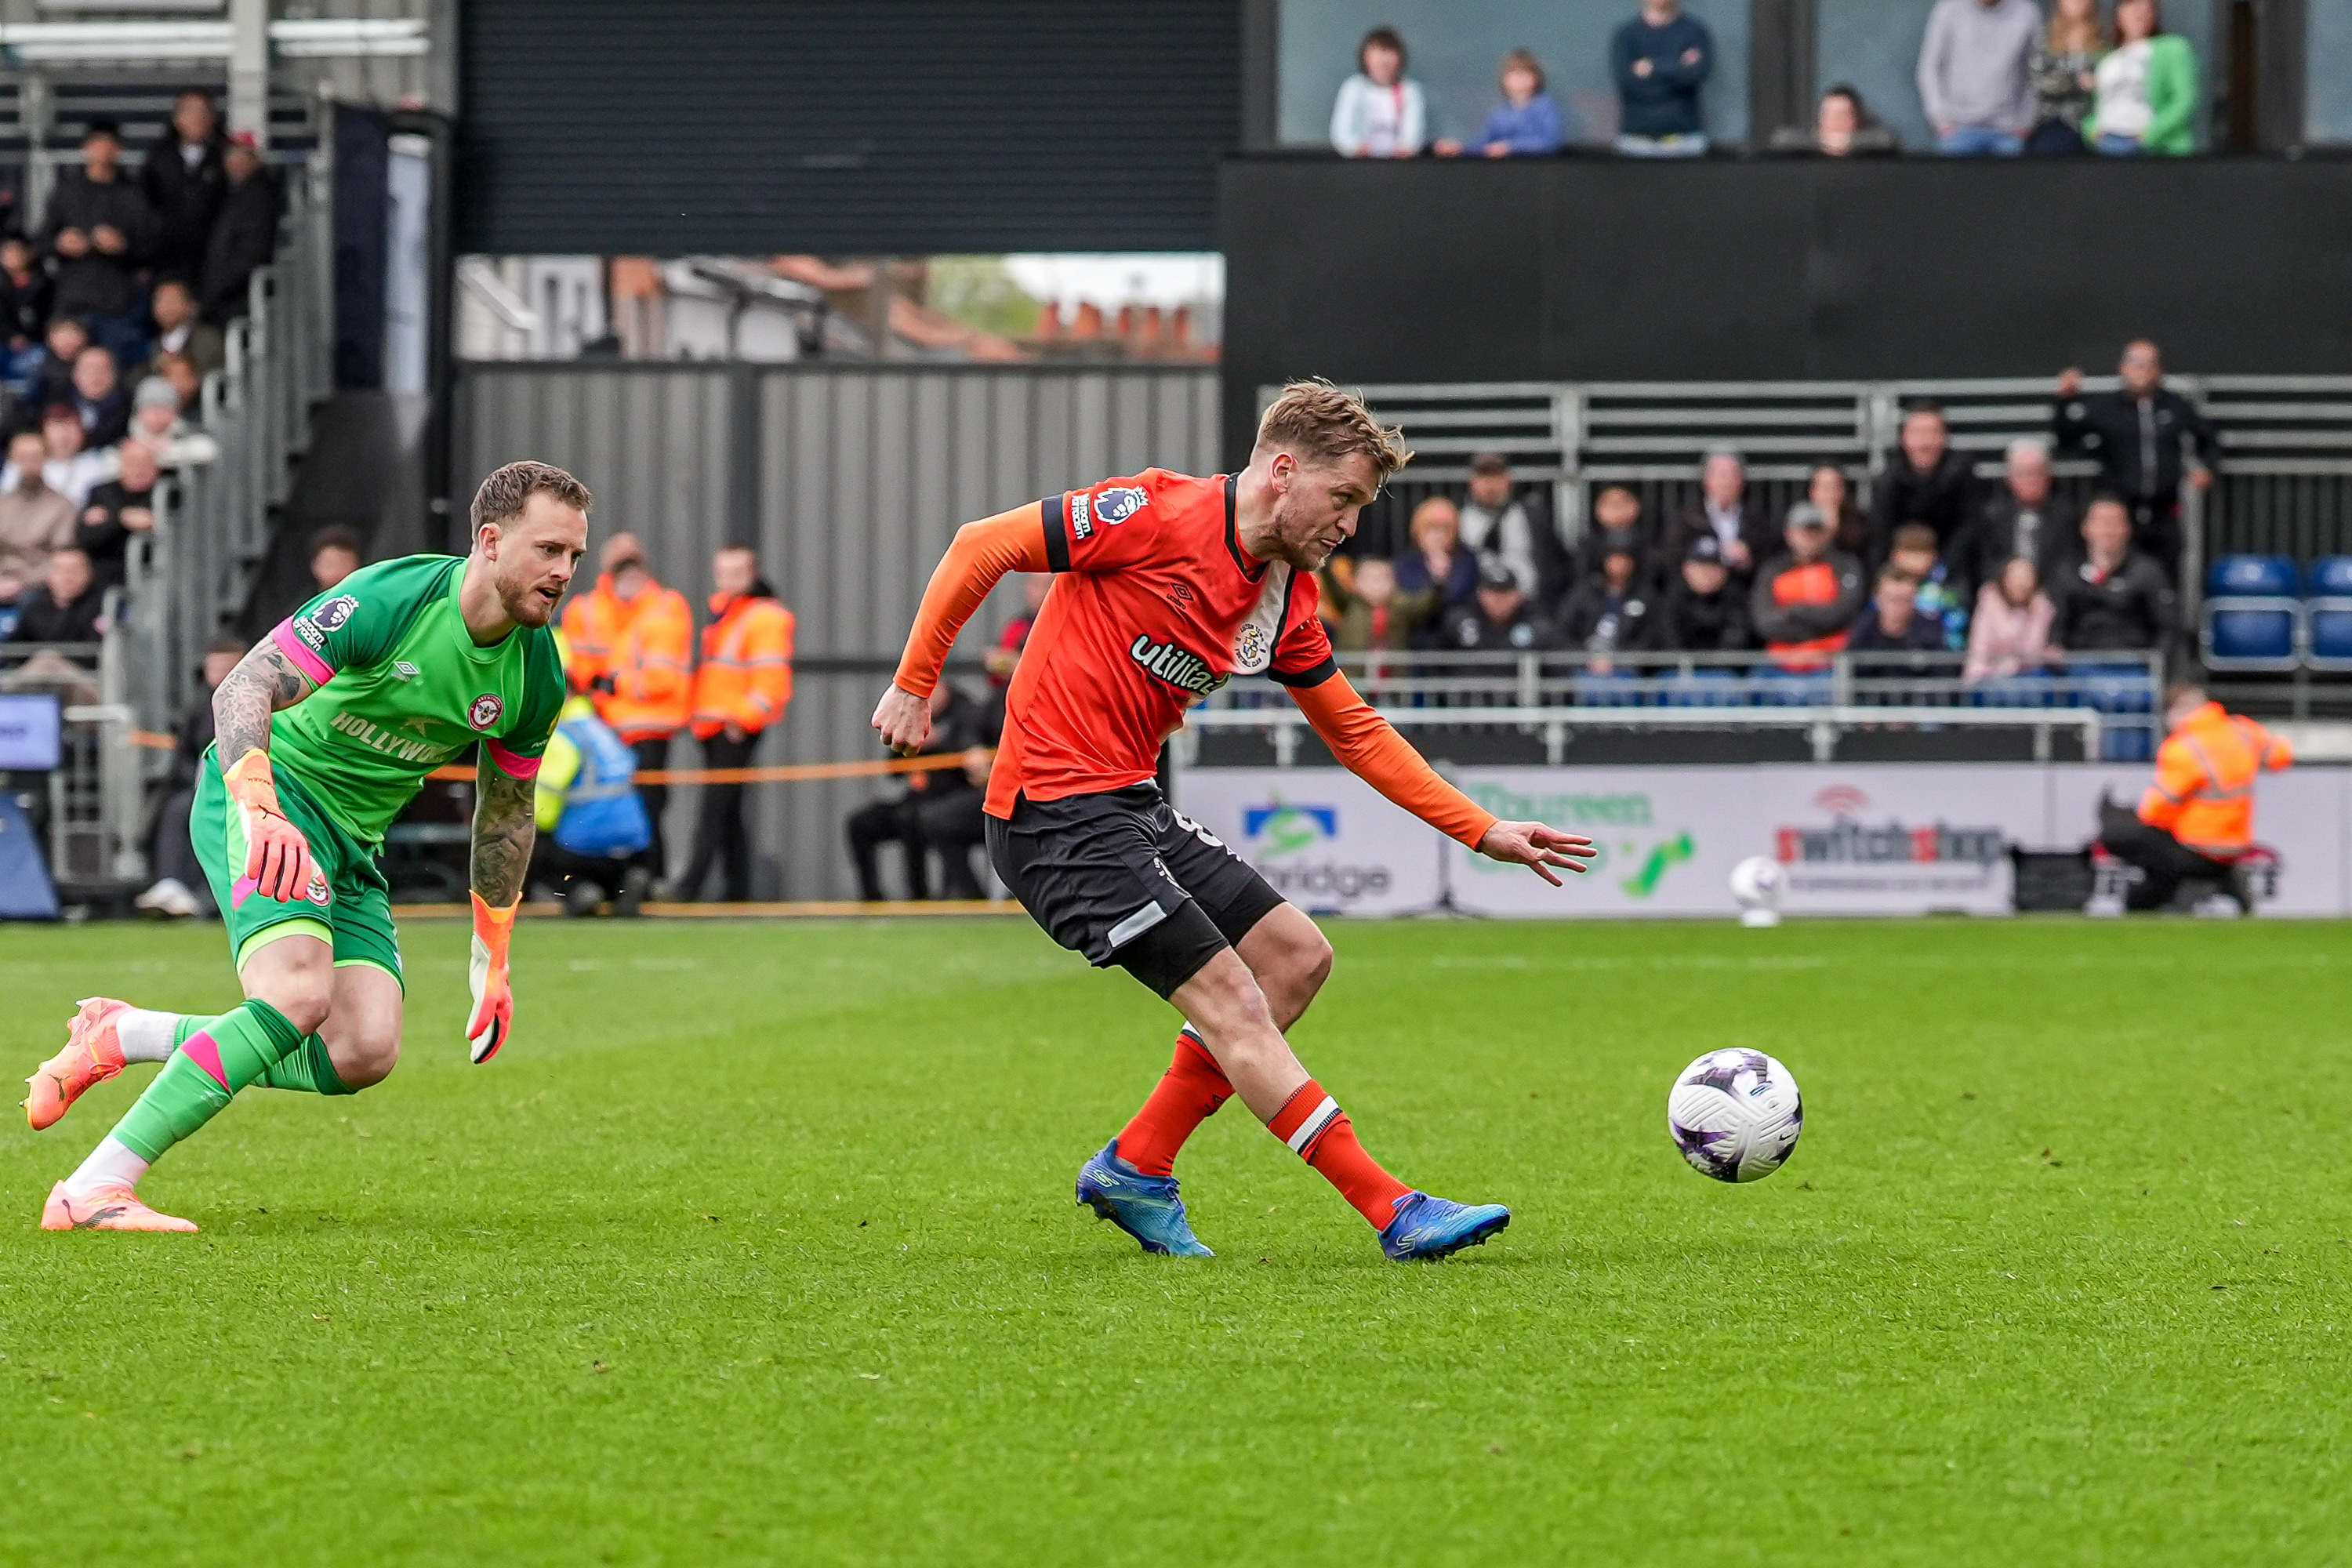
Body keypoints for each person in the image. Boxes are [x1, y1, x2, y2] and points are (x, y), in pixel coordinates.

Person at [871, 379, 1595, 1263]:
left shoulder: (1285, 597)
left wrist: (1484, 829)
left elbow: (1357, 731)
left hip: (1127, 802)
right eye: (1345, 499)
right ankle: (1393, 1207)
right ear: (1284, 470)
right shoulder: (1150, 511)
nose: (1350, 526)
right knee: (1233, 1001)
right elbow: (979, 546)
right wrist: (915, 683)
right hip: (1050, 814)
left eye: (1362, 506)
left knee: (1297, 957)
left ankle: (1136, 1164)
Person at [21, 460, 588, 1232]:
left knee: (364, 1048)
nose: (562, 573)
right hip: (267, 796)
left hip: (352, 844)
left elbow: (507, 810)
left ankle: (128, 1032)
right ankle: (92, 1186)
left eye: (573, 557)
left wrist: (493, 953)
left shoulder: (536, 676)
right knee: (294, 995)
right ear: (490, 541)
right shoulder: (395, 598)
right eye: (548, 549)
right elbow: (242, 687)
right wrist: (259, 805)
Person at [560, 532, 692, 878]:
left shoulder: (664, 606)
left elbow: (662, 678)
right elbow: (577, 670)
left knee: (648, 804)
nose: (627, 570)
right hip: (601, 726)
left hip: (647, 727)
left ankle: (649, 877)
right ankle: (611, 879)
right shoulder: (588, 609)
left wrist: (613, 684)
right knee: (598, 805)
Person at [2098, 681, 2291, 913]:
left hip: (2197, 847)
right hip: (2237, 846)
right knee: (2156, 862)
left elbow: (2154, 811)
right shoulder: (2242, 731)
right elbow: (2282, 756)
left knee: (2118, 836)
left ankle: (2159, 896)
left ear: (2177, 711)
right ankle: (2212, 881)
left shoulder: (2184, 747)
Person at [674, 545, 793, 903]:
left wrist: (744, 720)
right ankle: (737, 890)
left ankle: (688, 887)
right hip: (714, 726)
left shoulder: (764, 617)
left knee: (714, 809)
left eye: (735, 572)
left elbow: (771, 679)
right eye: (722, 572)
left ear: (752, 573)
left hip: (733, 727)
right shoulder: (728, 613)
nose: (726, 579)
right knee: (728, 812)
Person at [2053, 339, 2216, 578]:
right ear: (2122, 368)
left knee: (2166, 580)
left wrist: (2206, 468)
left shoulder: (2176, 406)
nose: (2142, 370)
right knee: (2118, 580)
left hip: (2164, 513)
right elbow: (2067, 440)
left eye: (2150, 364)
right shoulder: (2104, 408)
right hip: (2120, 517)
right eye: (2136, 363)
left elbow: (2208, 439)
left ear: (2160, 370)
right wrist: (2064, 400)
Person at [846, 679, 985, 902]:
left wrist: (941, 742)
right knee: (860, 824)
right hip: (915, 798)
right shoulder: (913, 710)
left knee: (917, 819)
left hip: (952, 798)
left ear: (943, 688)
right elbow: (893, 771)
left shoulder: (966, 712)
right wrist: (907, 744)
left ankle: (920, 897)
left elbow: (975, 756)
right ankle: (872, 899)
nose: (925, 702)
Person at [136, 635, 244, 919]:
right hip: (205, 787)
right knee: (176, 810)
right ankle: (172, 884)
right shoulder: (198, 707)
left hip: (250, 789)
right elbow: (184, 756)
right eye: (214, 668)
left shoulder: (256, 702)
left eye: (226, 668)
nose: (219, 676)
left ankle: (214, 895)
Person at [528, 673, 654, 917]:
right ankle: (623, 884)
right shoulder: (601, 727)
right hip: (634, 840)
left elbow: (544, 804)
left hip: (585, 842)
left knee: (536, 852)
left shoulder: (562, 735)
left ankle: (578, 891)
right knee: (606, 862)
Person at [38, 122, 153, 361]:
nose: (103, 151)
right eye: (97, 144)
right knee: (63, 372)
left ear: (119, 149)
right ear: (86, 148)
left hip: (117, 304)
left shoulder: (134, 194)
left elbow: (152, 247)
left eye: (109, 145)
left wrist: (123, 246)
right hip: (72, 300)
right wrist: (61, 243)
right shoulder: (66, 190)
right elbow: (41, 241)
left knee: (112, 368)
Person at [2049, 495, 2175, 655]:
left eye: (2115, 522)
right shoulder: (2067, 571)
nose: (2108, 529)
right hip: (2078, 665)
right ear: (2085, 528)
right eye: (2100, 522)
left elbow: (2168, 626)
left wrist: (2156, 663)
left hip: (2134, 665)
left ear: (2128, 529)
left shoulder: (2147, 571)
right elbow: (2055, 624)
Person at [1917, 0, 2040, 155]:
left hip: (2008, 130)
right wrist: (1939, 117)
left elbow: (2037, 71)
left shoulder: (2027, 12)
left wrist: (2026, 120)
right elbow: (1929, 68)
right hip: (1958, 128)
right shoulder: (1948, 9)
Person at [1751, 502, 1865, 668]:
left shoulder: (1845, 565)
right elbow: (1765, 622)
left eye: (1816, 531)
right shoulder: (1772, 570)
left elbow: (1845, 612)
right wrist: (1807, 642)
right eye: (1804, 531)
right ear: (1789, 533)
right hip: (1780, 662)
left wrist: (1793, 611)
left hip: (1831, 662)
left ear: (1827, 534)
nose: (1810, 537)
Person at [1962, 437, 2074, 593]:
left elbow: (2069, 563)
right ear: (2010, 479)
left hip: (2052, 594)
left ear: (2048, 477)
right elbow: (1985, 564)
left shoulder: (2066, 517)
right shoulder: (1992, 517)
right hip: (2003, 595)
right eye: (2023, 473)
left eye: (2036, 472)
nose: (2031, 480)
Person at [1870, 403, 1979, 564]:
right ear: (1903, 438)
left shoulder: (1963, 477)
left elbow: (1968, 532)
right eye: (1917, 433)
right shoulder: (1888, 480)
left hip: (1954, 566)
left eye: (1932, 433)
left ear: (1945, 437)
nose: (1925, 443)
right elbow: (1881, 538)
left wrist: (1942, 567)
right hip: (1900, 566)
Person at [2086, 0, 2198, 156]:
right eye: (2134, 7)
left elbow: (2184, 100)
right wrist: (2092, 130)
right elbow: (2097, 104)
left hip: (2150, 146)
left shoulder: (2173, 48)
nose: (2141, 13)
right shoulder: (2107, 56)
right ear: (2119, 12)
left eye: (2148, 8)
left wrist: (2148, 135)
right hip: (2106, 141)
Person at [140, 92, 229, 287]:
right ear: (177, 119)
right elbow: (146, 204)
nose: (198, 119)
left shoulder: (225, 156)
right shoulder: (158, 158)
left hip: (211, 258)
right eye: (190, 112)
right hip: (166, 257)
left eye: (203, 112)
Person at [1458, 450, 1568, 605]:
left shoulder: (1533, 516)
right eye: (1484, 477)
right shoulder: (1458, 521)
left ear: (1509, 480)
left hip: (1531, 608)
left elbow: (1558, 564)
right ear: (1472, 482)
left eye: (1496, 476)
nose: (1490, 485)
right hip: (1477, 613)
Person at [1611, 0, 1712, 157]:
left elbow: (1695, 76)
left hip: (1686, 141)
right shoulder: (1626, 35)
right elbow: (1627, 83)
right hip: (1636, 142)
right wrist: (1678, 65)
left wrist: (1651, 68)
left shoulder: (1695, 32)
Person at [199, 134, 279, 325]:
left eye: (240, 155)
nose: (232, 162)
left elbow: (250, 255)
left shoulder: (258, 197)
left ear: (255, 158)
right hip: (230, 298)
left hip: (239, 303)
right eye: (229, 154)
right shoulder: (240, 193)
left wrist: (213, 293)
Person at [1664, 448, 1774, 583]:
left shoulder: (1757, 521)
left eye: (1732, 475)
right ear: (1706, 480)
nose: (1726, 482)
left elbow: (1770, 560)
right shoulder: (1686, 520)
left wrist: (1748, 558)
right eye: (1721, 475)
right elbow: (1672, 558)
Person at [1555, 530, 1653, 671]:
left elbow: (1648, 637)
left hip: (1626, 670)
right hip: (1584, 667)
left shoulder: (1645, 596)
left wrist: (1619, 661)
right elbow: (1564, 632)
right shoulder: (1584, 593)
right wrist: (1585, 659)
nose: (1620, 564)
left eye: (1625, 558)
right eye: (1615, 558)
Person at [0, 427, 75, 609]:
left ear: (46, 458)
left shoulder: (63, 506)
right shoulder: (3, 503)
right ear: (13, 459)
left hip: (39, 584)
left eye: (35, 457)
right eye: (23, 457)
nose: (29, 463)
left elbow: (61, 557)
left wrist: (22, 583)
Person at [1392, 495, 1479, 646]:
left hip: (1453, 631)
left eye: (1444, 529)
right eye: (1431, 529)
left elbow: (1459, 594)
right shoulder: (1406, 562)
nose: (1438, 536)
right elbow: (1413, 597)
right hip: (1418, 631)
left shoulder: (1466, 559)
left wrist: (1442, 576)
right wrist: (1436, 579)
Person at [1329, 27, 1427, 158]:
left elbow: (1413, 136)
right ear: (1365, 57)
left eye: (1389, 52)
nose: (1383, 60)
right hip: (1360, 165)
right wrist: (1359, 148)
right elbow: (1342, 133)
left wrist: (1403, 151)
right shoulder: (1353, 88)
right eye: (1378, 52)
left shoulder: (1411, 91)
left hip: (1399, 167)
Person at [76, 437, 159, 590]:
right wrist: (122, 518)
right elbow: (87, 537)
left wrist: (109, 517)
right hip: (106, 576)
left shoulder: (165, 493)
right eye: (132, 463)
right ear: (121, 465)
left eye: (144, 463)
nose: (138, 469)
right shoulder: (101, 492)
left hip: (153, 574)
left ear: (156, 467)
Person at [1319, 554, 1435, 662]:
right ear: (1355, 581)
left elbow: (1423, 604)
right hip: (1354, 672)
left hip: (1394, 675)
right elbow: (1333, 587)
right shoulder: (1349, 604)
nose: (1376, 585)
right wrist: (1325, 560)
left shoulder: (1400, 605)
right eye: (1369, 579)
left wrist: (1437, 583)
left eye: (1382, 578)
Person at [2025, 0, 2106, 154]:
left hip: (2092, 122)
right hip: (2052, 121)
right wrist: (2076, 82)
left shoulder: (2103, 41)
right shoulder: (2046, 39)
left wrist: (2061, 77)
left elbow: (2104, 81)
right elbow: (2040, 81)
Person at [1443, 556, 1560, 661]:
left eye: (1505, 593)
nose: (1498, 600)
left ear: (1518, 596)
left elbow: (1564, 664)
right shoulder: (1458, 621)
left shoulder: (1538, 626)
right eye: (1492, 593)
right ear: (1480, 594)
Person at [1964, 555, 2058, 681]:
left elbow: (2033, 652)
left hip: (2029, 675)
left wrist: (2036, 613)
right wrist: (1972, 681)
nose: (2020, 583)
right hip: (1991, 675)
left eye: (2026, 577)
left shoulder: (2042, 607)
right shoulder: (1989, 603)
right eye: (2015, 577)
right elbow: (1979, 646)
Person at [1651, 532, 1750, 652]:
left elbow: (1737, 638)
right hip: (1680, 667)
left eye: (1713, 567)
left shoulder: (1734, 596)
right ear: (1687, 569)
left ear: (1725, 572)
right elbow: (1669, 639)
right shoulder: (1672, 596)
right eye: (1701, 567)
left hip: (1723, 667)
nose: (1707, 574)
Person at [1884, 522, 1967, 649]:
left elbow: (1957, 622)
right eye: (1909, 551)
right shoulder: (1886, 584)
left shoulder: (1944, 588)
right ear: (1896, 555)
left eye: (1921, 552)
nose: (1915, 560)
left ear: (1934, 555)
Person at [5, 545, 103, 644]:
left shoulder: (103, 607)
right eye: (60, 570)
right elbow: (15, 649)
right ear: (48, 575)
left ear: (90, 574)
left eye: (75, 570)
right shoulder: (33, 605)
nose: (67, 578)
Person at [1478, 49, 1565, 157]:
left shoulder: (1545, 106)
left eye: (1525, 74)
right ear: (1504, 79)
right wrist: (1462, 148)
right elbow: (1486, 143)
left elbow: (1549, 143)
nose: (1521, 80)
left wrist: (1511, 147)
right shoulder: (1499, 113)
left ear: (1536, 78)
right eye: (1515, 74)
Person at [1769, 85, 1900, 156]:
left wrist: (1847, 142)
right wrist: (1825, 143)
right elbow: (1781, 139)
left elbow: (1887, 139)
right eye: (1830, 114)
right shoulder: (1804, 143)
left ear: (1857, 119)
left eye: (1843, 115)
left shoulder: (1872, 145)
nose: (1836, 121)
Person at [1845, 567, 1947, 655]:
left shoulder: (1930, 634)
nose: (1899, 606)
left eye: (1905, 599)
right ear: (1877, 598)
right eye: (1893, 599)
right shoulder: (1861, 633)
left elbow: (1944, 674)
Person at [123, 374, 217, 467]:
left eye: (164, 408)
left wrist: (169, 450)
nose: (157, 415)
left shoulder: (187, 435)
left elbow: (208, 451)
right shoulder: (126, 438)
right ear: (139, 413)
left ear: (175, 413)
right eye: (151, 408)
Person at [141, 278, 223, 382]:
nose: (166, 307)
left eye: (172, 300)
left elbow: (214, 373)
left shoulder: (207, 338)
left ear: (190, 306)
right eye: (161, 300)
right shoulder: (155, 344)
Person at [0, 232, 53, 385]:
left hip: (39, 342)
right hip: (6, 343)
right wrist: (11, 336)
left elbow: (50, 315)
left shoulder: (44, 284)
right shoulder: (3, 287)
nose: (11, 256)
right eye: (6, 251)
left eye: (16, 251)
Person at [68, 344, 129, 450]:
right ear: (75, 375)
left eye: (102, 370)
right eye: (88, 370)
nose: (95, 376)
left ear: (115, 375)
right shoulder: (60, 404)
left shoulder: (128, 407)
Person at [1808, 462, 1871, 561]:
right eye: (1825, 487)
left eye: (1836, 487)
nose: (1830, 494)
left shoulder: (1859, 525)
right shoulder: (1801, 523)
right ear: (1812, 491)